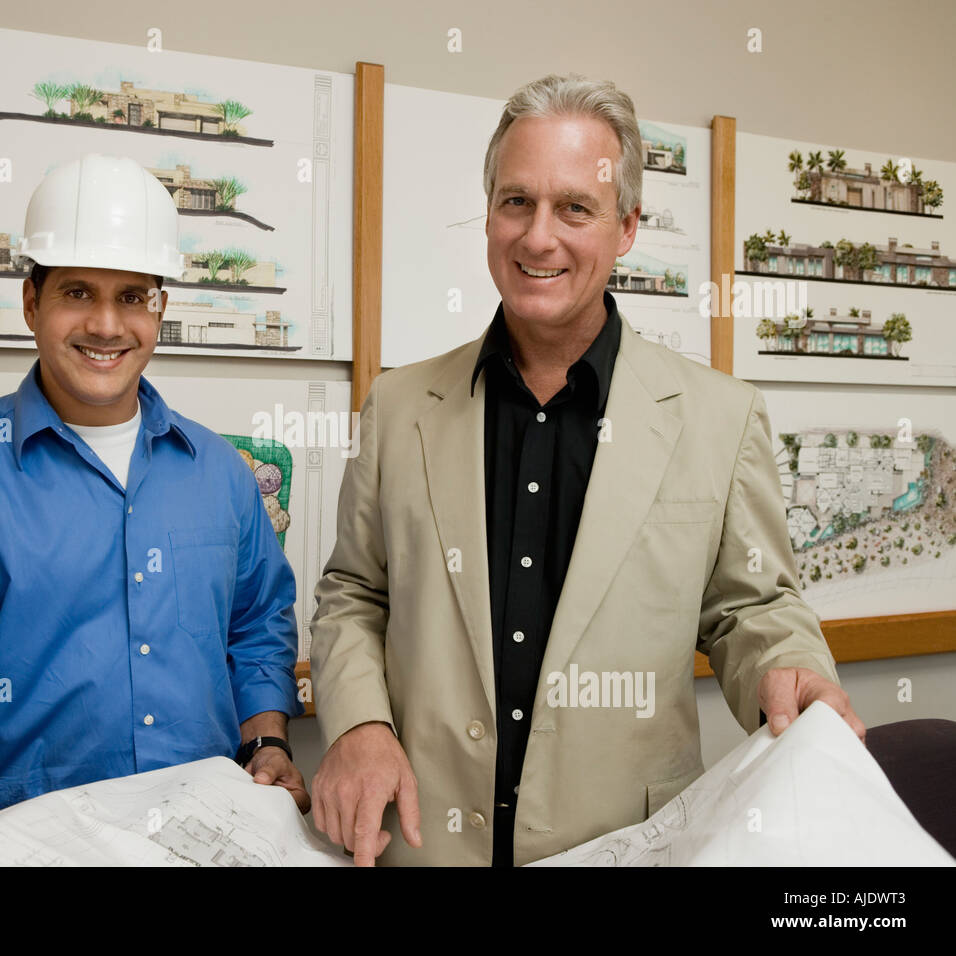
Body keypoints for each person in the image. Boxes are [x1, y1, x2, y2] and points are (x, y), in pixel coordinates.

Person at [308, 74, 865, 867]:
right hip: (424, 840)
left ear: (627, 225)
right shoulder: (399, 406)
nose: (539, 237)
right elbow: (354, 594)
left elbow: (753, 607)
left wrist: (793, 669)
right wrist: (361, 725)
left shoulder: (718, 416)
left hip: (630, 849)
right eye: (515, 202)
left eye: (575, 207)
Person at [0, 154, 307, 867]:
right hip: (17, 842)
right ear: (30, 302)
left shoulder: (222, 477)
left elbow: (257, 625)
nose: (107, 325)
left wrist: (266, 742)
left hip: (207, 836)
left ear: (159, 308)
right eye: (78, 291)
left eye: (133, 296)